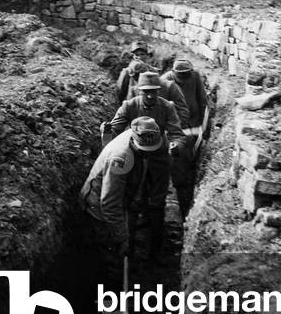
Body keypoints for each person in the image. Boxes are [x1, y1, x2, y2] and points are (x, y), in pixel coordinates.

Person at [110, 73, 185, 261]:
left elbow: (177, 133)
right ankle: (130, 248)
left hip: (159, 158)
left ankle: (156, 251)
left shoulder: (167, 107)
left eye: (154, 92)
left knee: (157, 203)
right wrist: (107, 133)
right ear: (139, 91)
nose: (150, 96)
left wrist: (176, 146)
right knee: (133, 201)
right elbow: (115, 129)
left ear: (159, 91)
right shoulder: (129, 106)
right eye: (146, 92)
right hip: (134, 157)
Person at [79, 117, 166, 266]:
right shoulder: (120, 159)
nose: (148, 153)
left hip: (115, 198)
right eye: (145, 151)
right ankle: (112, 280)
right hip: (98, 206)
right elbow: (109, 203)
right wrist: (122, 236)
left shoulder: (141, 137)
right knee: (111, 254)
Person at [161, 58, 211, 219]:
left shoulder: (195, 76)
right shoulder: (165, 81)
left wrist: (206, 127)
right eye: (180, 75)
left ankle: (188, 205)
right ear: (174, 73)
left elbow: (203, 101)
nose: (184, 78)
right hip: (176, 133)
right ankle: (182, 210)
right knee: (179, 171)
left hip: (195, 129)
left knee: (191, 167)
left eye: (186, 74)